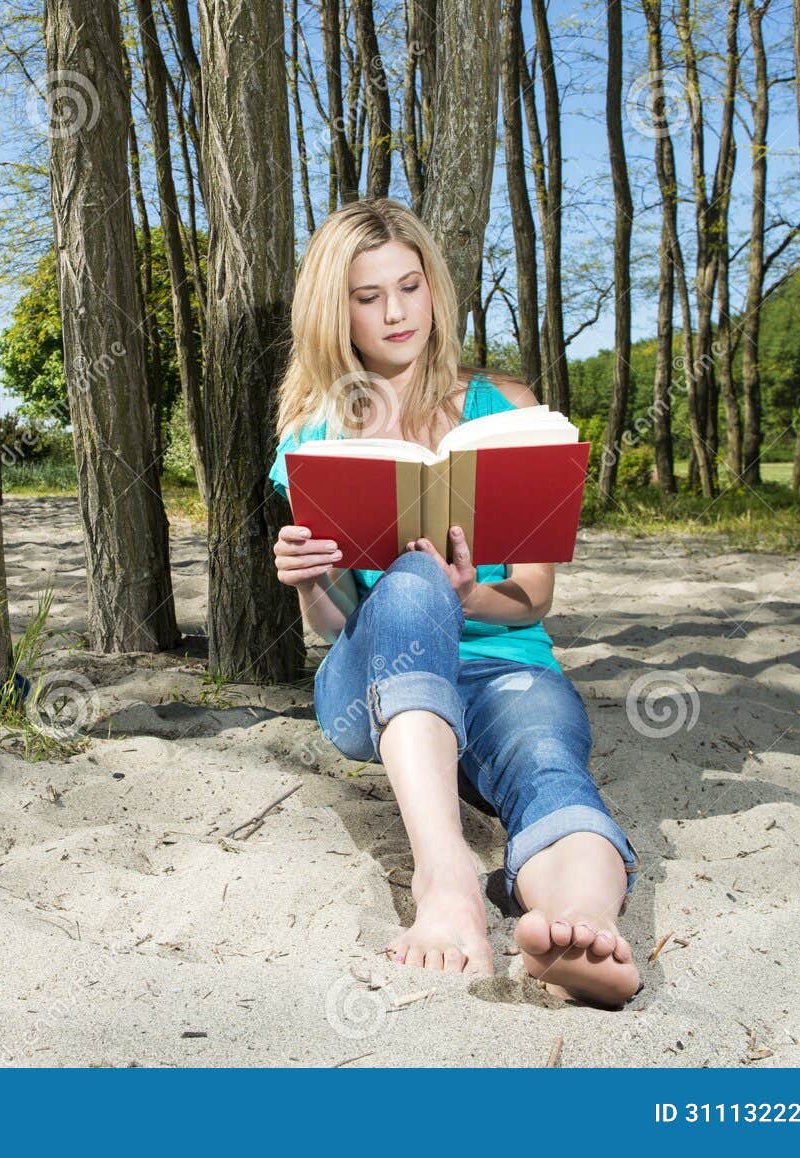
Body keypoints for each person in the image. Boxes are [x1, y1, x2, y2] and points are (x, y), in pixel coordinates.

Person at [267, 197, 642, 1008]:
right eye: (368, 297)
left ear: (435, 287)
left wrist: (467, 594)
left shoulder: (506, 409)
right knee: (409, 582)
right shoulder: (315, 432)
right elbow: (330, 628)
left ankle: (576, 923)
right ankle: (449, 885)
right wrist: (309, 579)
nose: (396, 312)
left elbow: (532, 598)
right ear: (337, 311)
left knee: (549, 764)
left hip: (503, 665)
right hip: (374, 685)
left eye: (410, 286)